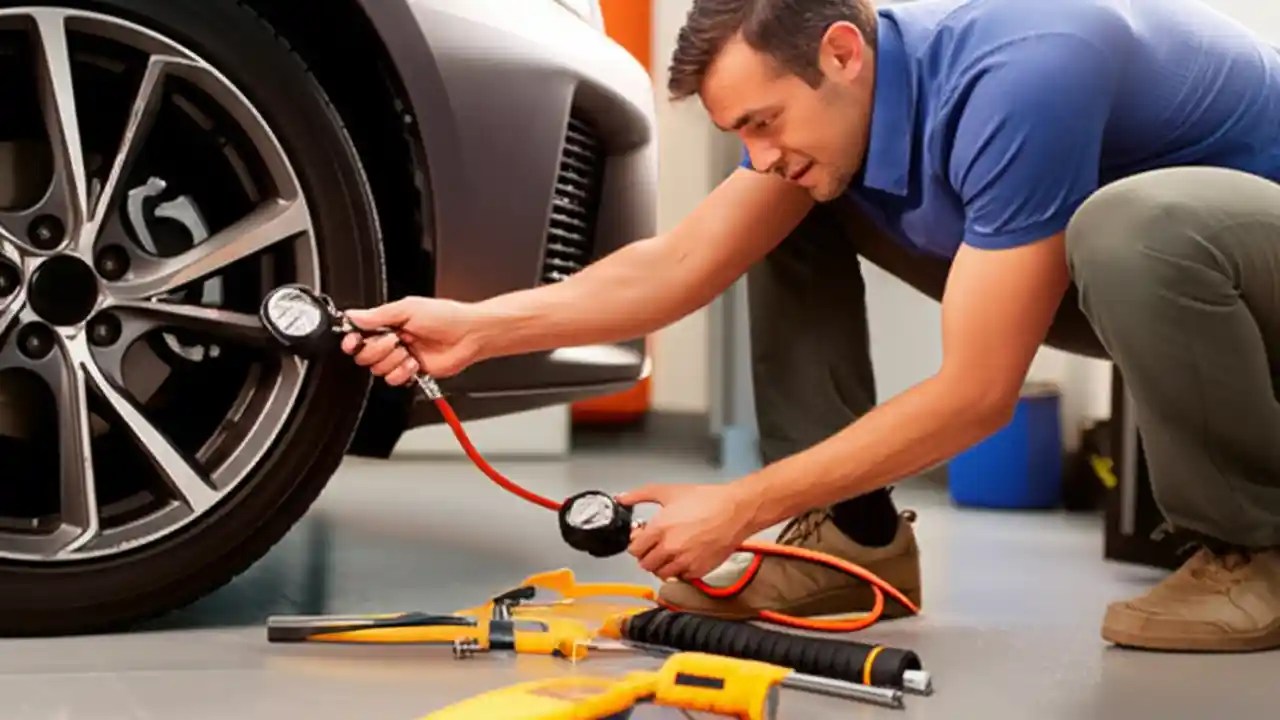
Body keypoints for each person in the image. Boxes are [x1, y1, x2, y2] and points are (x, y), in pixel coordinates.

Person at [341, 0, 1280, 653]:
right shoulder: (847, 106)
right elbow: (680, 263)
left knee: (1130, 226)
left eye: (764, 120)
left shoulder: (1028, 68)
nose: (756, 154)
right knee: (792, 198)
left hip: (1235, 266)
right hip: (1153, 286)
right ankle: (845, 540)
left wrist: (739, 506)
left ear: (840, 53)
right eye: (737, 132)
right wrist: (478, 327)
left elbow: (977, 394)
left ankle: (1254, 554)